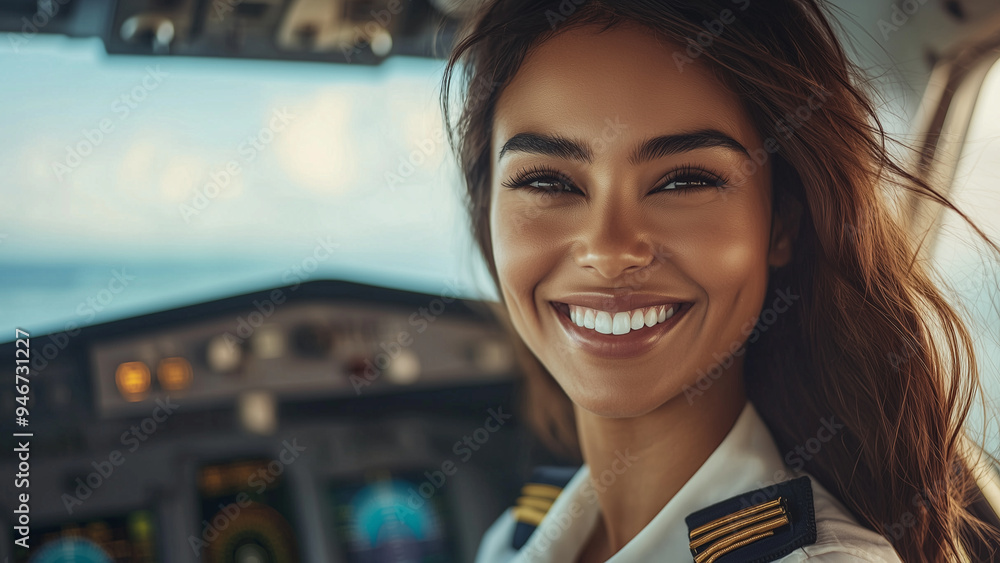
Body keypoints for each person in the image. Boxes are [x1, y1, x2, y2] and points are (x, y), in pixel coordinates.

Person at [438, 0, 1000, 561]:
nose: (609, 252)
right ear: (488, 211)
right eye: (547, 181)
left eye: (683, 181)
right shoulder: (513, 539)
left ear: (781, 223)